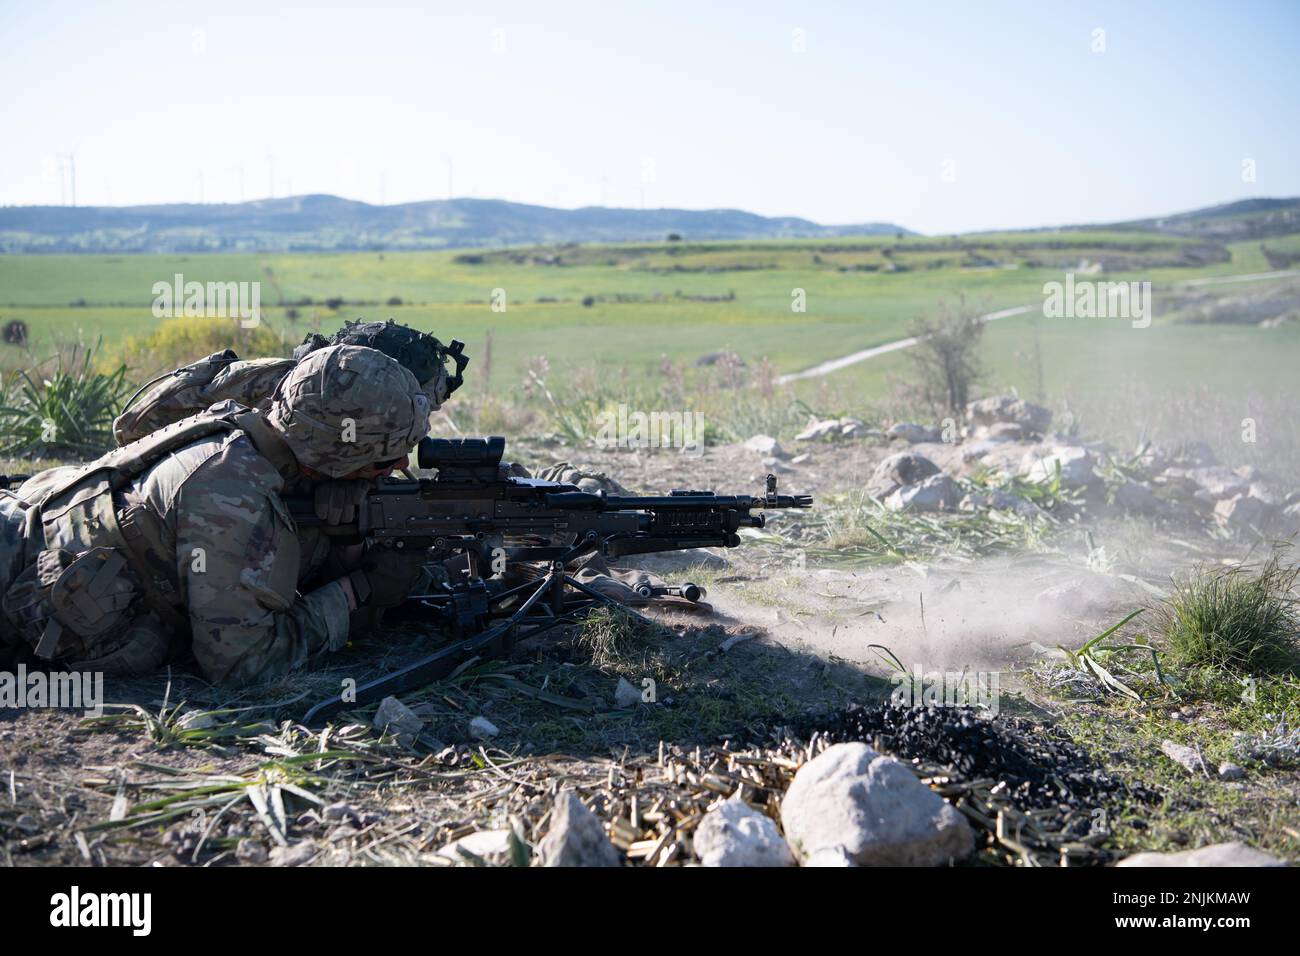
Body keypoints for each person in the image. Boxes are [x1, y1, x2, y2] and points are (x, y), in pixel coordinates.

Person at [0, 345, 432, 684]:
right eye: (386, 459)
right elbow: (244, 665)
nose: (400, 468)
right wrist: (357, 591)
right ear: (333, 454)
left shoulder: (260, 434)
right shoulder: (230, 495)